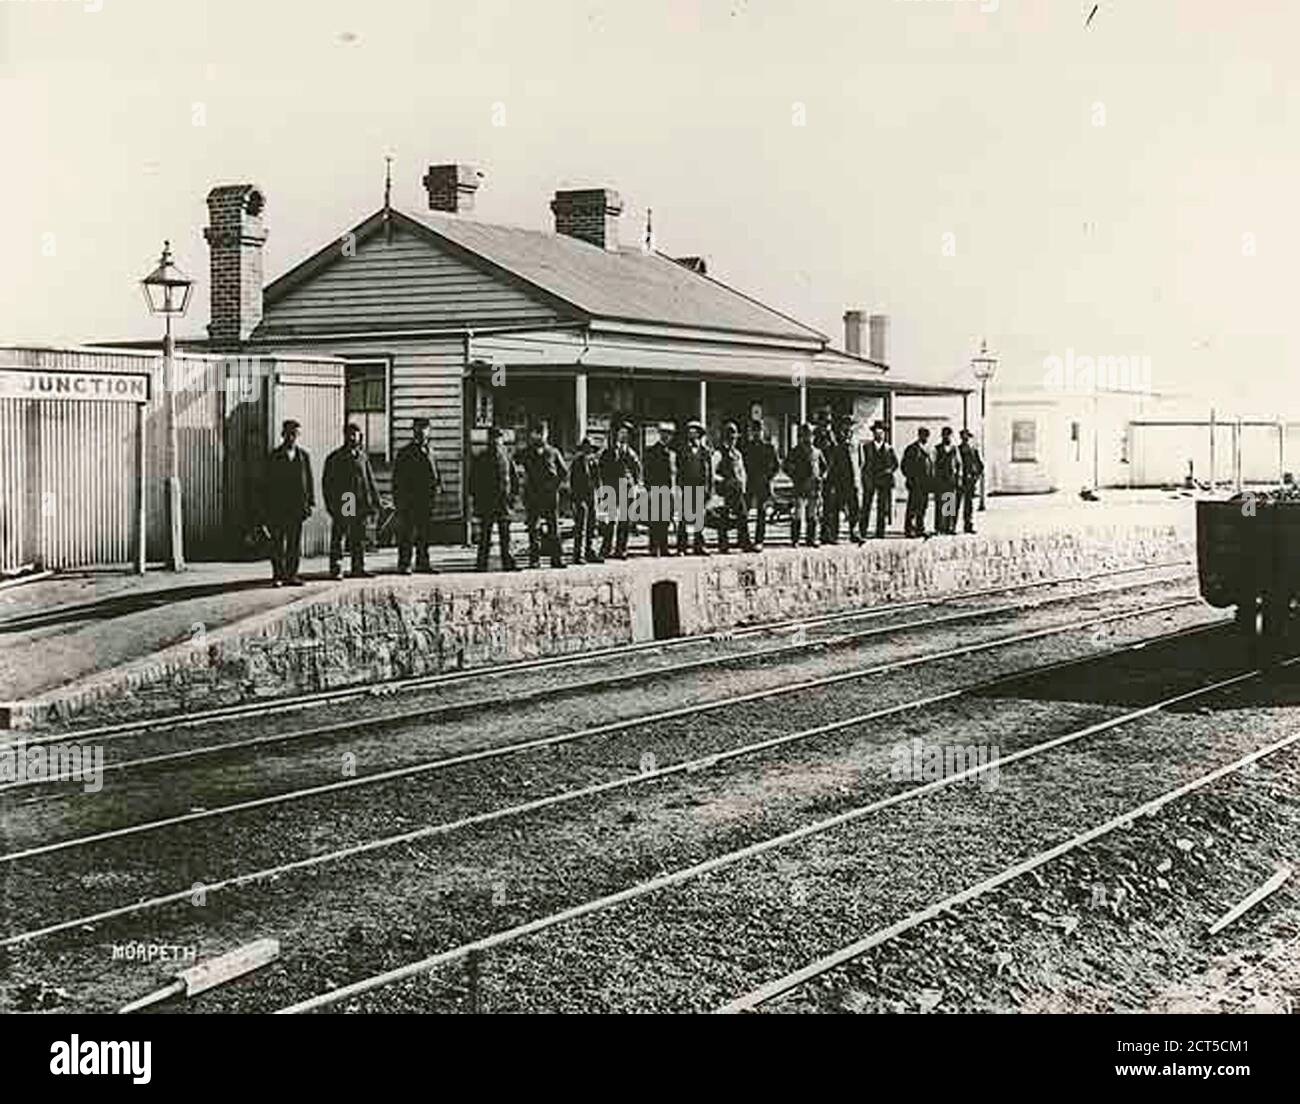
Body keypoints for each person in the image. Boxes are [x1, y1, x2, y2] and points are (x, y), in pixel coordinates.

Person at [322, 422, 381, 578]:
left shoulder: (362, 457)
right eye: (350, 435)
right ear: (345, 436)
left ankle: (358, 567)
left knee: (359, 536)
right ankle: (336, 568)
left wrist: (376, 500)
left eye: (356, 435)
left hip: (361, 501)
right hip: (346, 500)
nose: (353, 438)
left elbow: (370, 480)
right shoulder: (336, 457)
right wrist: (332, 505)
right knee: (340, 534)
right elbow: (328, 484)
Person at [262, 419, 314, 587]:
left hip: (297, 508)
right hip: (278, 508)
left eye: (296, 434)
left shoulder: (303, 456)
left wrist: (310, 503)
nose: (293, 438)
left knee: (294, 543)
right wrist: (266, 509)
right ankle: (278, 575)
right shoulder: (274, 456)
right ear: (283, 435)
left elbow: (309, 481)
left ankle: (291, 575)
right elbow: (266, 484)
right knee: (278, 543)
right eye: (290, 434)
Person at [392, 416, 441, 574]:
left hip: (427, 500)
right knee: (407, 534)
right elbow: (398, 479)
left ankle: (423, 563)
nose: (422, 432)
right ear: (413, 431)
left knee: (424, 533)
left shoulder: (431, 451)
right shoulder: (406, 453)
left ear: (429, 431)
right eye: (418, 429)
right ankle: (404, 564)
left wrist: (438, 485)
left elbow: (435, 472)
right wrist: (399, 501)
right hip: (410, 500)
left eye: (425, 429)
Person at [516, 419, 568, 569]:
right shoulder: (526, 452)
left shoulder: (553, 452)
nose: (539, 437)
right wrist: (522, 483)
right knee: (533, 528)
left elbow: (563, 471)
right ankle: (535, 559)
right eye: (537, 433)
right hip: (533, 494)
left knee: (553, 527)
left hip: (550, 495)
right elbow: (515, 465)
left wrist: (555, 486)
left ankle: (556, 558)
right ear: (532, 435)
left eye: (542, 433)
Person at [470, 425, 518, 571]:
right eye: (493, 438)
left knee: (506, 535)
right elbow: (473, 480)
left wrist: (513, 497)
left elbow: (513, 478)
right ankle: (481, 564)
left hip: (503, 502)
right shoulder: (481, 457)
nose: (496, 441)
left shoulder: (506, 457)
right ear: (489, 439)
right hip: (487, 502)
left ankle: (508, 563)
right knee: (485, 535)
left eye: (499, 438)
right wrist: (476, 499)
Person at [599, 420, 642, 560]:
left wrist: (636, 485)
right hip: (611, 488)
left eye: (626, 433)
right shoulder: (608, 452)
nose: (623, 435)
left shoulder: (630, 452)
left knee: (625, 521)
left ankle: (621, 549)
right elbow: (602, 469)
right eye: (621, 432)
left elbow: (637, 469)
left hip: (627, 488)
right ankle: (606, 549)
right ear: (616, 434)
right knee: (610, 520)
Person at [783, 422, 825, 548]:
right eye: (806, 435)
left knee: (812, 514)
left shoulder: (817, 452)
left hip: (813, 487)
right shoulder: (795, 451)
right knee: (798, 513)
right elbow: (786, 467)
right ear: (801, 436)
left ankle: (811, 538)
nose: (809, 438)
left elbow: (825, 467)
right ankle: (795, 539)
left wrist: (820, 477)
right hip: (800, 485)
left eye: (811, 435)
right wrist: (795, 477)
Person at [741, 420, 780, 551]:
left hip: (763, 483)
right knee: (744, 512)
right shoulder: (746, 447)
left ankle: (759, 540)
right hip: (749, 483)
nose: (757, 433)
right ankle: (744, 540)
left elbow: (776, 466)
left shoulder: (769, 448)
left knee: (761, 513)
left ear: (763, 431)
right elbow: (742, 465)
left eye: (759, 430)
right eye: (754, 430)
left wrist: (768, 478)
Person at [714, 420, 752, 554]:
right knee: (723, 517)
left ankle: (744, 542)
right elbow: (712, 472)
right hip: (724, 489)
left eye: (734, 438)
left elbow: (742, 471)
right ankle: (723, 544)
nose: (732, 441)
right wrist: (723, 481)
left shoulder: (737, 454)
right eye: (730, 438)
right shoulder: (718, 453)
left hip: (737, 489)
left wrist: (743, 485)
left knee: (743, 515)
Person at [676, 419, 712, 556]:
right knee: (684, 519)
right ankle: (682, 547)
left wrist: (708, 489)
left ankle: (699, 546)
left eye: (695, 433)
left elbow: (709, 473)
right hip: (686, 487)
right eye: (690, 432)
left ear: (699, 435)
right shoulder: (682, 450)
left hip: (700, 487)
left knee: (699, 518)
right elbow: (678, 470)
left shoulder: (705, 451)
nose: (692, 435)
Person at [824, 417, 862, 544]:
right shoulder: (835, 443)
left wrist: (858, 478)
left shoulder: (856, 443)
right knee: (835, 509)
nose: (848, 429)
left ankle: (854, 533)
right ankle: (833, 535)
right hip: (838, 480)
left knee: (854, 508)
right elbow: (831, 463)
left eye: (850, 426)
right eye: (846, 426)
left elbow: (861, 462)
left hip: (853, 480)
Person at [642, 422, 678, 556]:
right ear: (660, 435)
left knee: (665, 520)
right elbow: (647, 472)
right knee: (655, 520)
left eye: (669, 435)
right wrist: (649, 489)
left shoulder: (672, 454)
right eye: (664, 434)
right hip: (656, 489)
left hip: (668, 491)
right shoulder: (652, 451)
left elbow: (674, 473)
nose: (666, 437)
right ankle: (653, 547)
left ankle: (664, 547)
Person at [860, 420, 898, 540]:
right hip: (870, 479)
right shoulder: (867, 447)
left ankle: (880, 532)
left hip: (884, 481)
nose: (879, 435)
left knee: (882, 507)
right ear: (873, 434)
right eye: (877, 433)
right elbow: (862, 463)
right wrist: (865, 477)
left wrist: (889, 471)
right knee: (866, 505)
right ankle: (863, 531)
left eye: (881, 433)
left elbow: (895, 464)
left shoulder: (888, 448)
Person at [569, 437, 603, 564]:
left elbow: (597, 479)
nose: (589, 451)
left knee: (592, 525)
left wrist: (599, 493)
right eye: (587, 448)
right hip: (580, 496)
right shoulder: (577, 462)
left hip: (591, 495)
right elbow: (573, 481)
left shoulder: (594, 462)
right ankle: (578, 554)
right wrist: (574, 499)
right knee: (580, 526)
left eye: (591, 449)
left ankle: (590, 551)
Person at [901, 426, 935, 538]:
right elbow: (904, 466)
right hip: (915, 483)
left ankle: (920, 528)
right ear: (919, 435)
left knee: (923, 507)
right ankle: (909, 529)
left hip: (926, 484)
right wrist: (910, 478)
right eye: (923, 435)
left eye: (927, 436)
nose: (925, 438)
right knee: (912, 507)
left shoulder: (929, 449)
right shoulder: (912, 449)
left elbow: (932, 466)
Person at [933, 425, 963, 535]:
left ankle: (950, 527)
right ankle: (940, 527)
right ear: (942, 436)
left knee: (950, 504)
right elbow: (934, 464)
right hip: (940, 480)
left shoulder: (955, 449)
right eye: (945, 435)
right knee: (940, 504)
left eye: (949, 435)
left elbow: (959, 464)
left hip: (951, 480)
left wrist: (958, 478)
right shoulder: (937, 449)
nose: (947, 437)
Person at [957, 428, 985, 534]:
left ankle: (968, 526)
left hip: (969, 482)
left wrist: (975, 477)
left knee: (969, 506)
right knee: (953, 503)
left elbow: (980, 465)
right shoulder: (957, 449)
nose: (965, 439)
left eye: (967, 437)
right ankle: (950, 526)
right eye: (963, 437)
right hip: (958, 481)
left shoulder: (974, 450)